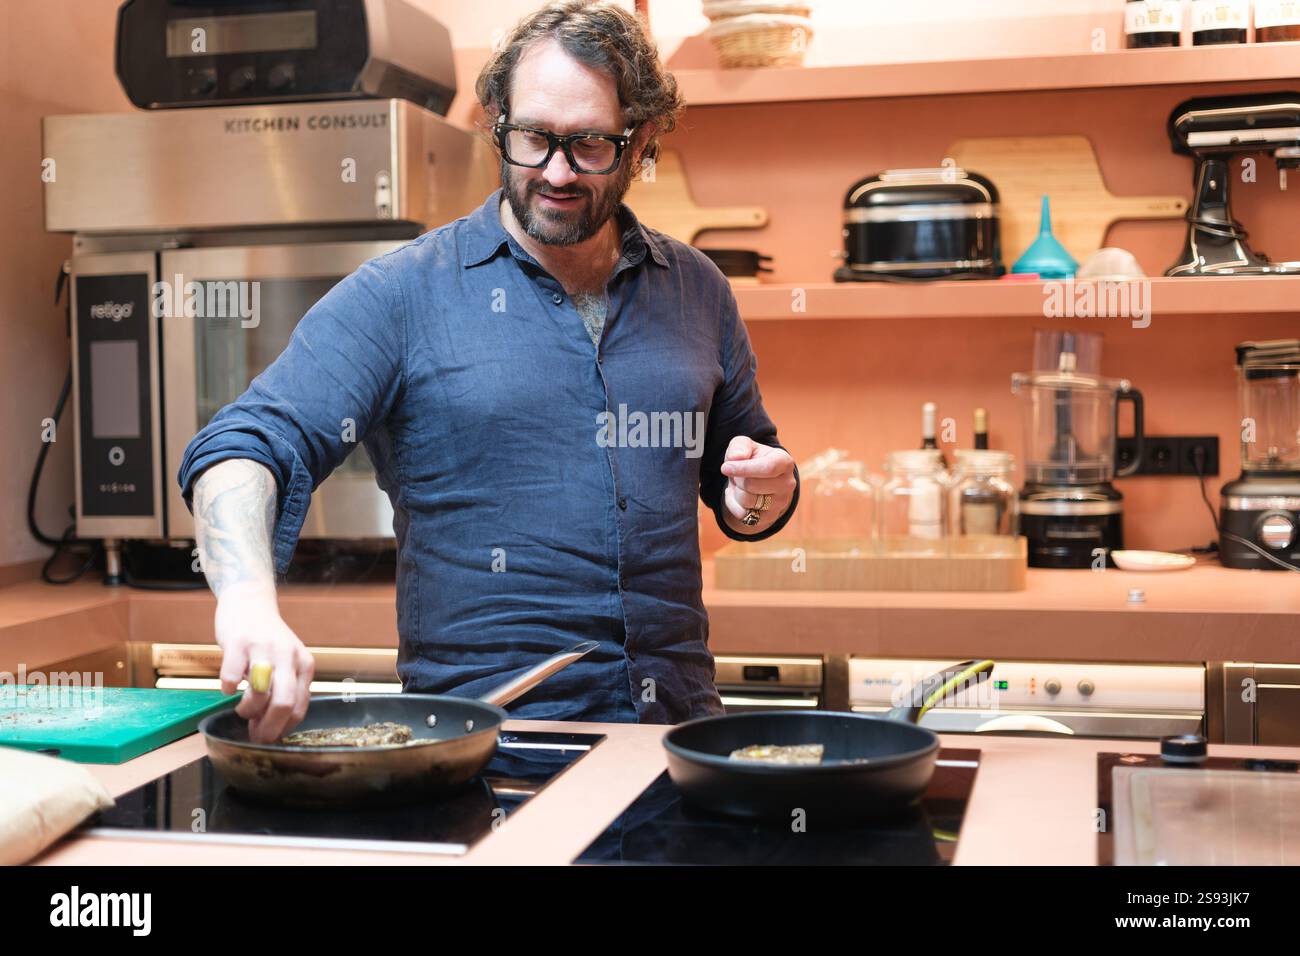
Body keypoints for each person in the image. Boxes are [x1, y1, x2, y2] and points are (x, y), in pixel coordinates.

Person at [178, 0, 798, 743]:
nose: (558, 172)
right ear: (498, 123)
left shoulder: (697, 289)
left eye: (591, 145)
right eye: (533, 138)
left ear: (642, 142)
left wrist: (766, 494)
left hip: (674, 751)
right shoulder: (403, 294)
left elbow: (744, 492)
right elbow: (244, 442)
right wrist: (247, 603)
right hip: (484, 761)